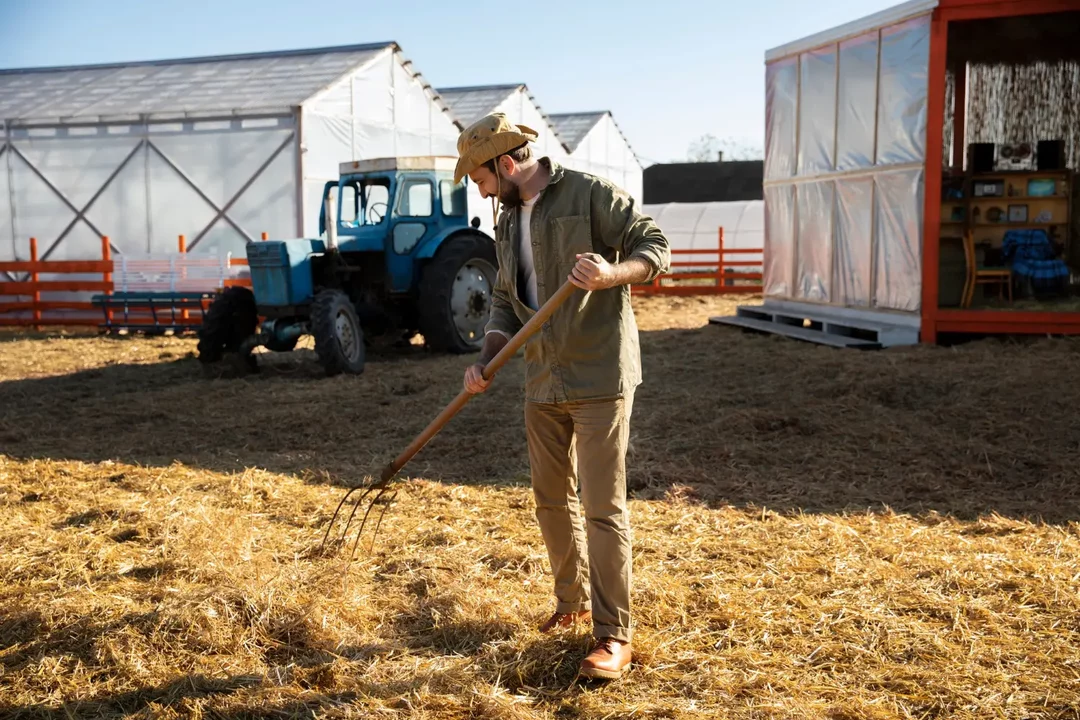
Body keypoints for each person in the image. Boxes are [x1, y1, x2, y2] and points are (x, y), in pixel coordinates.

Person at [454, 113, 671, 680]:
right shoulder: (504, 222)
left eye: (478, 176)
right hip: (541, 378)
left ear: (506, 164)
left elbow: (655, 246)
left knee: (602, 507)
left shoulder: (589, 194)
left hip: (599, 375)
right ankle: (571, 604)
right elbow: (505, 299)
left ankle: (613, 635)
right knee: (550, 499)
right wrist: (485, 361)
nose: (477, 189)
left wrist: (611, 271)